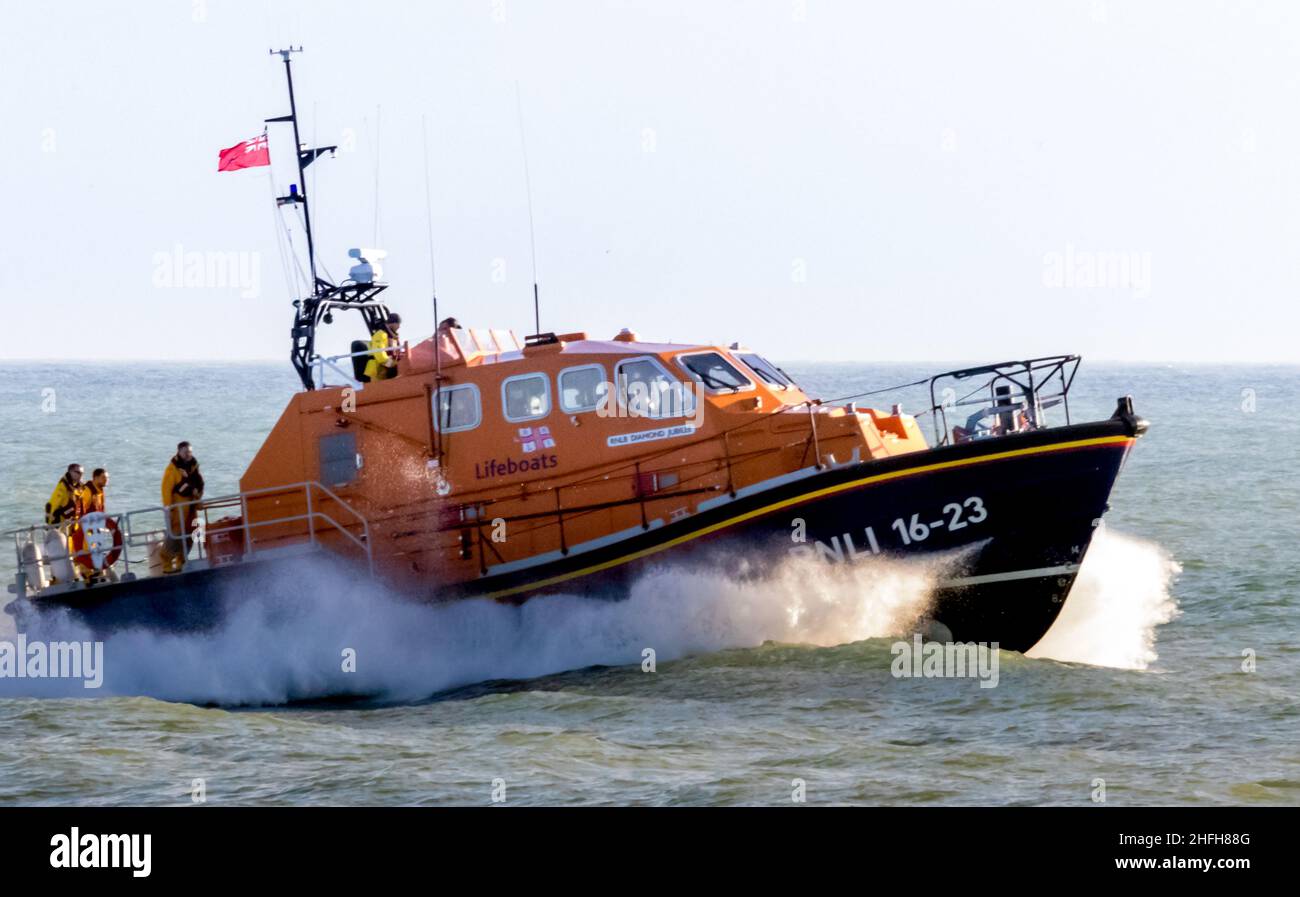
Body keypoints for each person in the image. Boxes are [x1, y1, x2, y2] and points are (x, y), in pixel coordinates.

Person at [160, 442, 204, 573]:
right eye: (185, 452)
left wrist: (198, 498)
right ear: (179, 452)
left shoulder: (194, 467)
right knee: (176, 535)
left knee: (191, 533)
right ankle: (166, 563)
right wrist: (168, 507)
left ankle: (182, 561)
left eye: (190, 452)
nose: (188, 454)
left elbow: (199, 483)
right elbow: (166, 489)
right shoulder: (172, 469)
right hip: (178, 507)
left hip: (191, 506)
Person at [362, 312, 402, 382]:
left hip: (386, 369)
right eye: (398, 324)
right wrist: (393, 365)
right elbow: (380, 355)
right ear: (393, 323)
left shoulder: (392, 337)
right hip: (377, 371)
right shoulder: (380, 335)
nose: (399, 326)